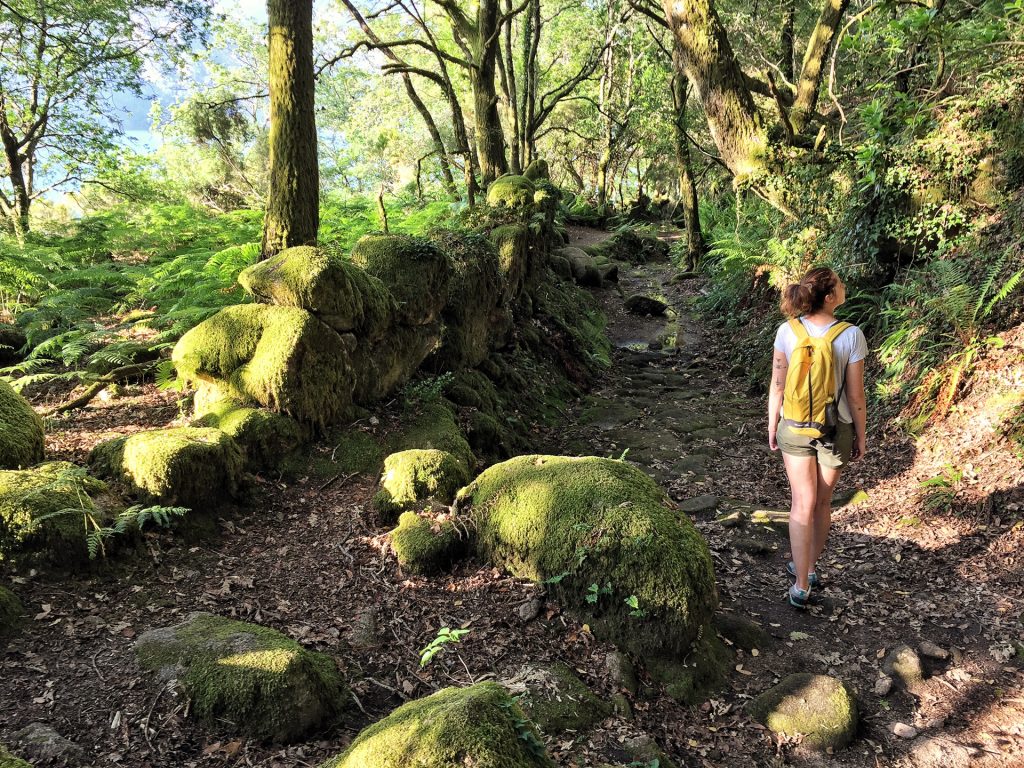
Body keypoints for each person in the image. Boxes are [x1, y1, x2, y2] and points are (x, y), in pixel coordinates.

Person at [768, 267, 868, 608]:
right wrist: (861, 435)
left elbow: (777, 384)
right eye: (839, 284)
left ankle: (800, 586)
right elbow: (856, 396)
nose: (844, 286)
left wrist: (772, 424)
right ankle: (809, 568)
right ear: (829, 297)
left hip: (794, 426)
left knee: (801, 502)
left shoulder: (787, 330)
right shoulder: (851, 335)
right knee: (822, 502)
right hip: (835, 429)